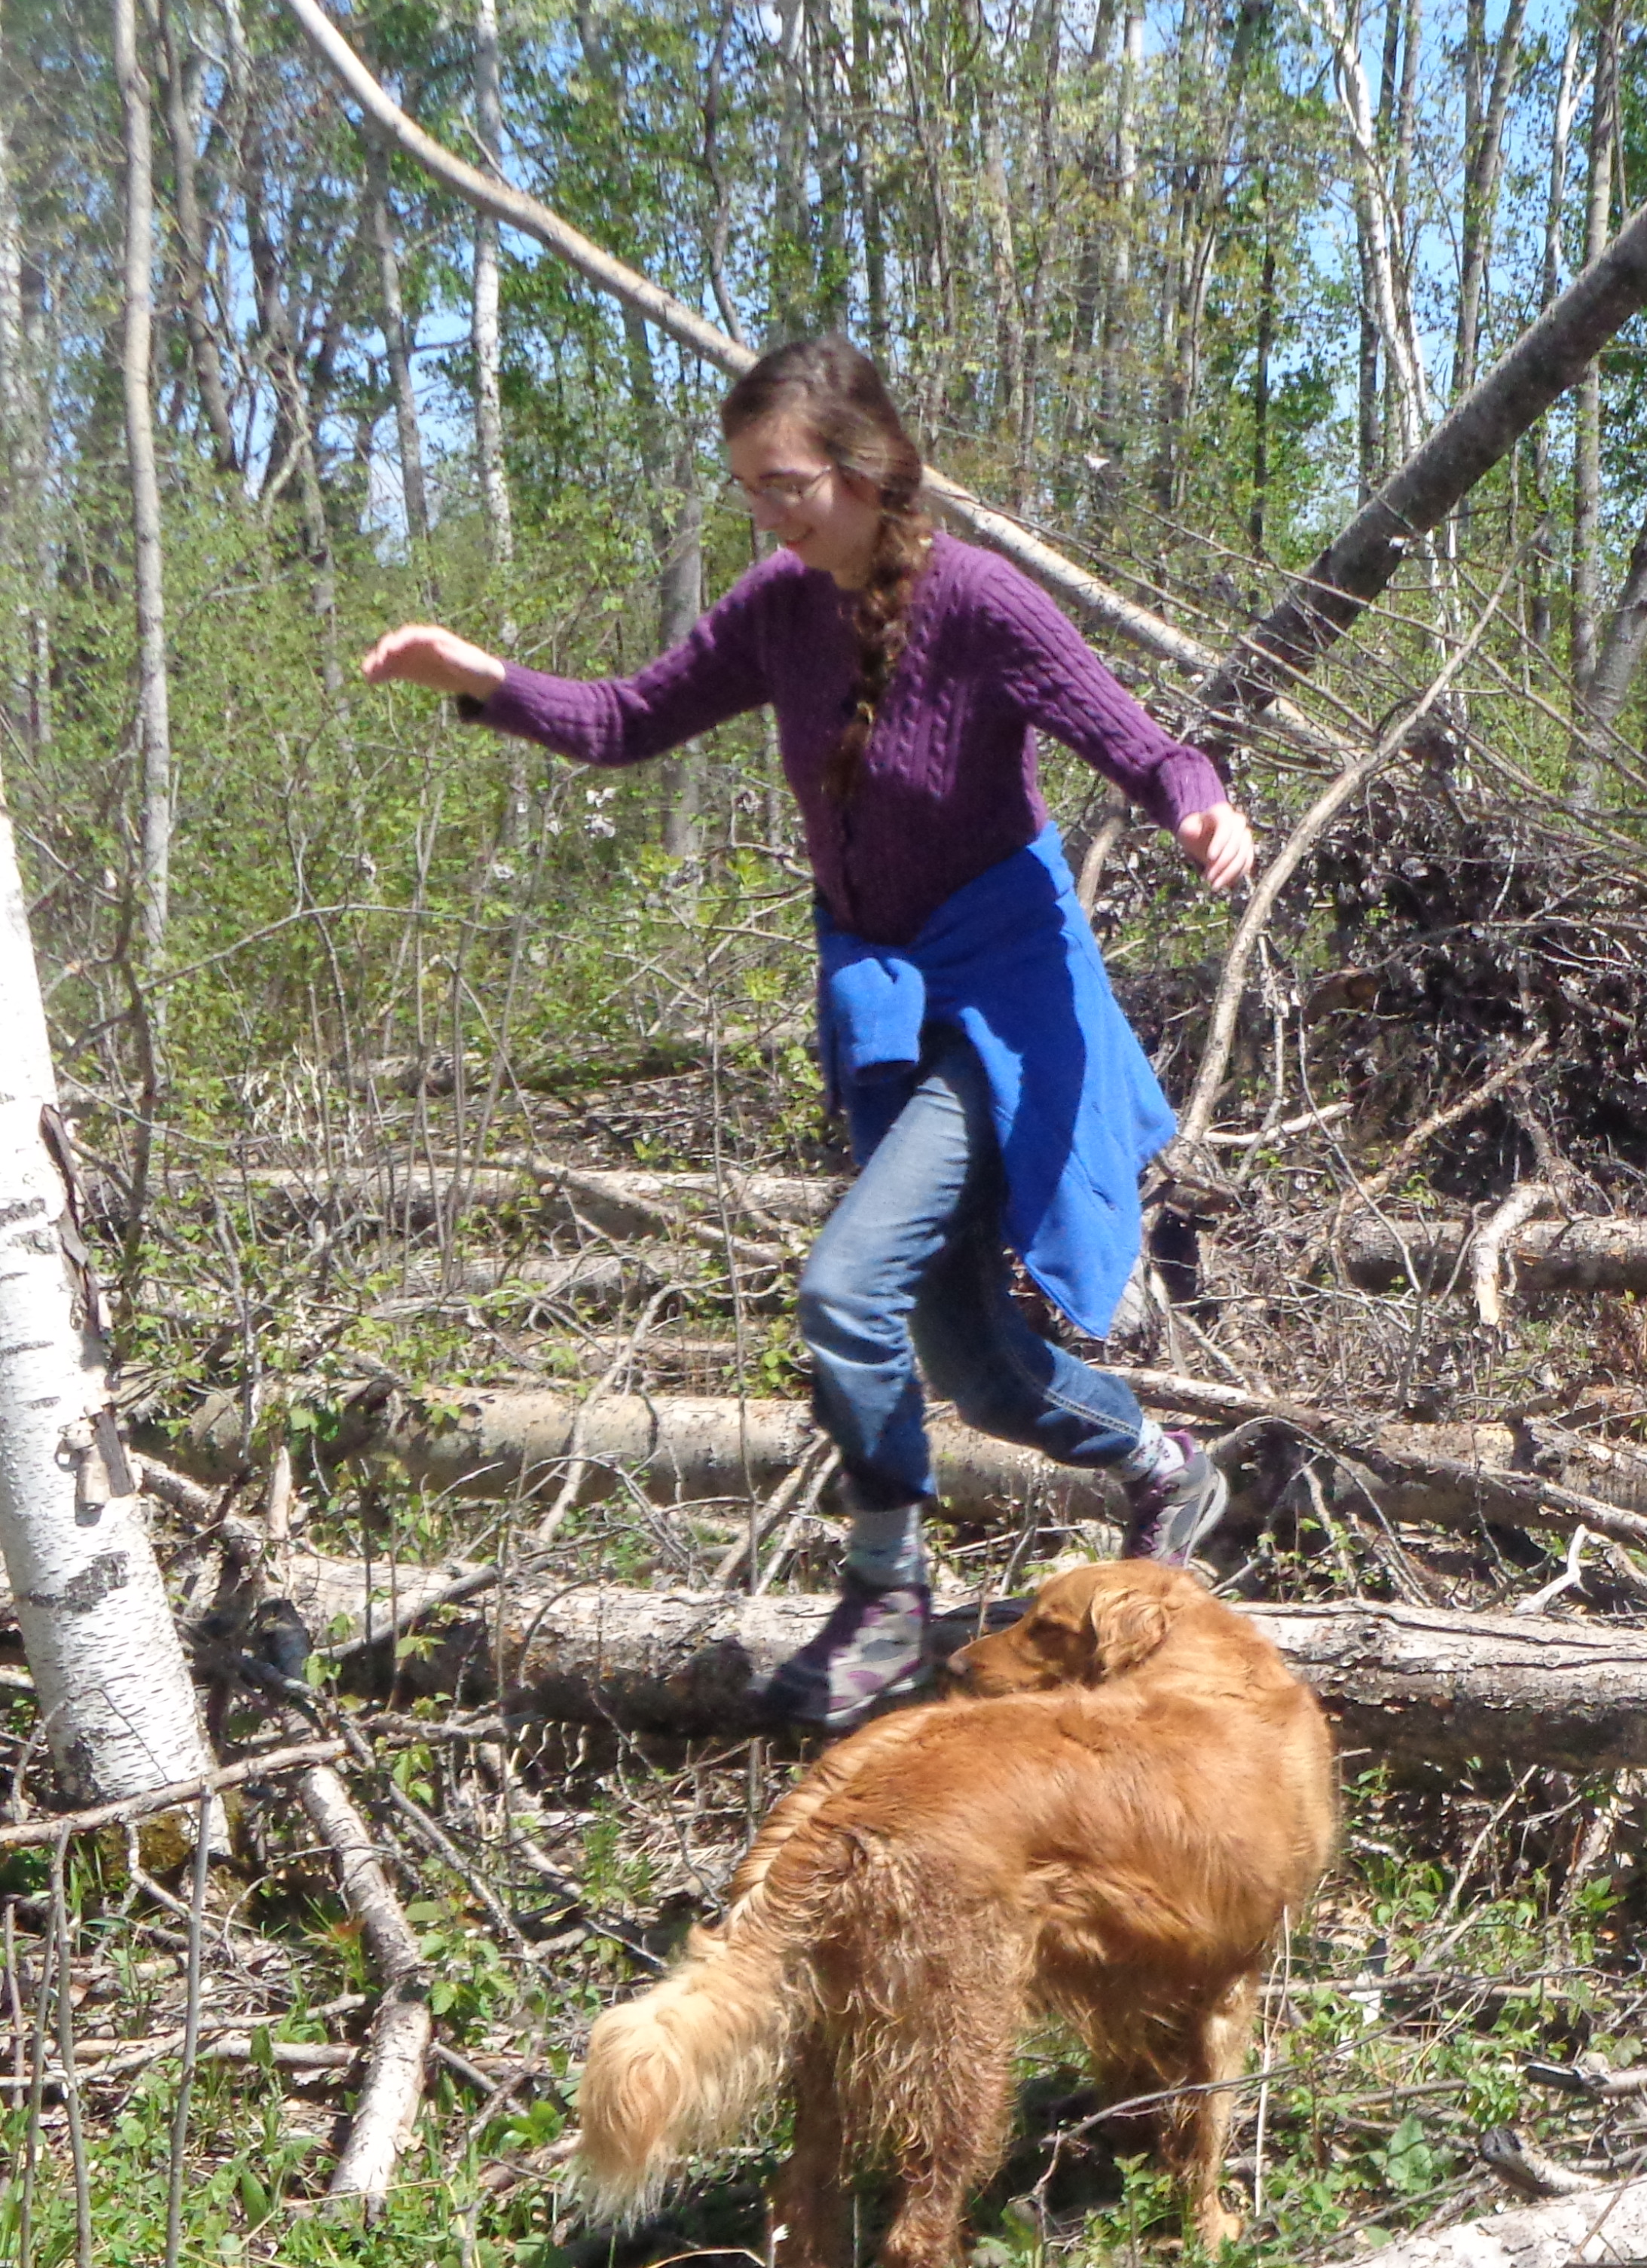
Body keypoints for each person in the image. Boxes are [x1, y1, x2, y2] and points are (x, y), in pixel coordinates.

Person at [361, 335, 1257, 1732]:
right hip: (887, 993)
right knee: (967, 1356)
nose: (767, 515)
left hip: (1006, 991)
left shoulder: (977, 602)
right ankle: (1162, 1465)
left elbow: (1133, 740)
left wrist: (1202, 802)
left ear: (865, 471)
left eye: (784, 487)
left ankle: (885, 1596)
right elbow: (624, 720)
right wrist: (480, 678)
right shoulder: (777, 613)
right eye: (749, 492)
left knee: (848, 1284)